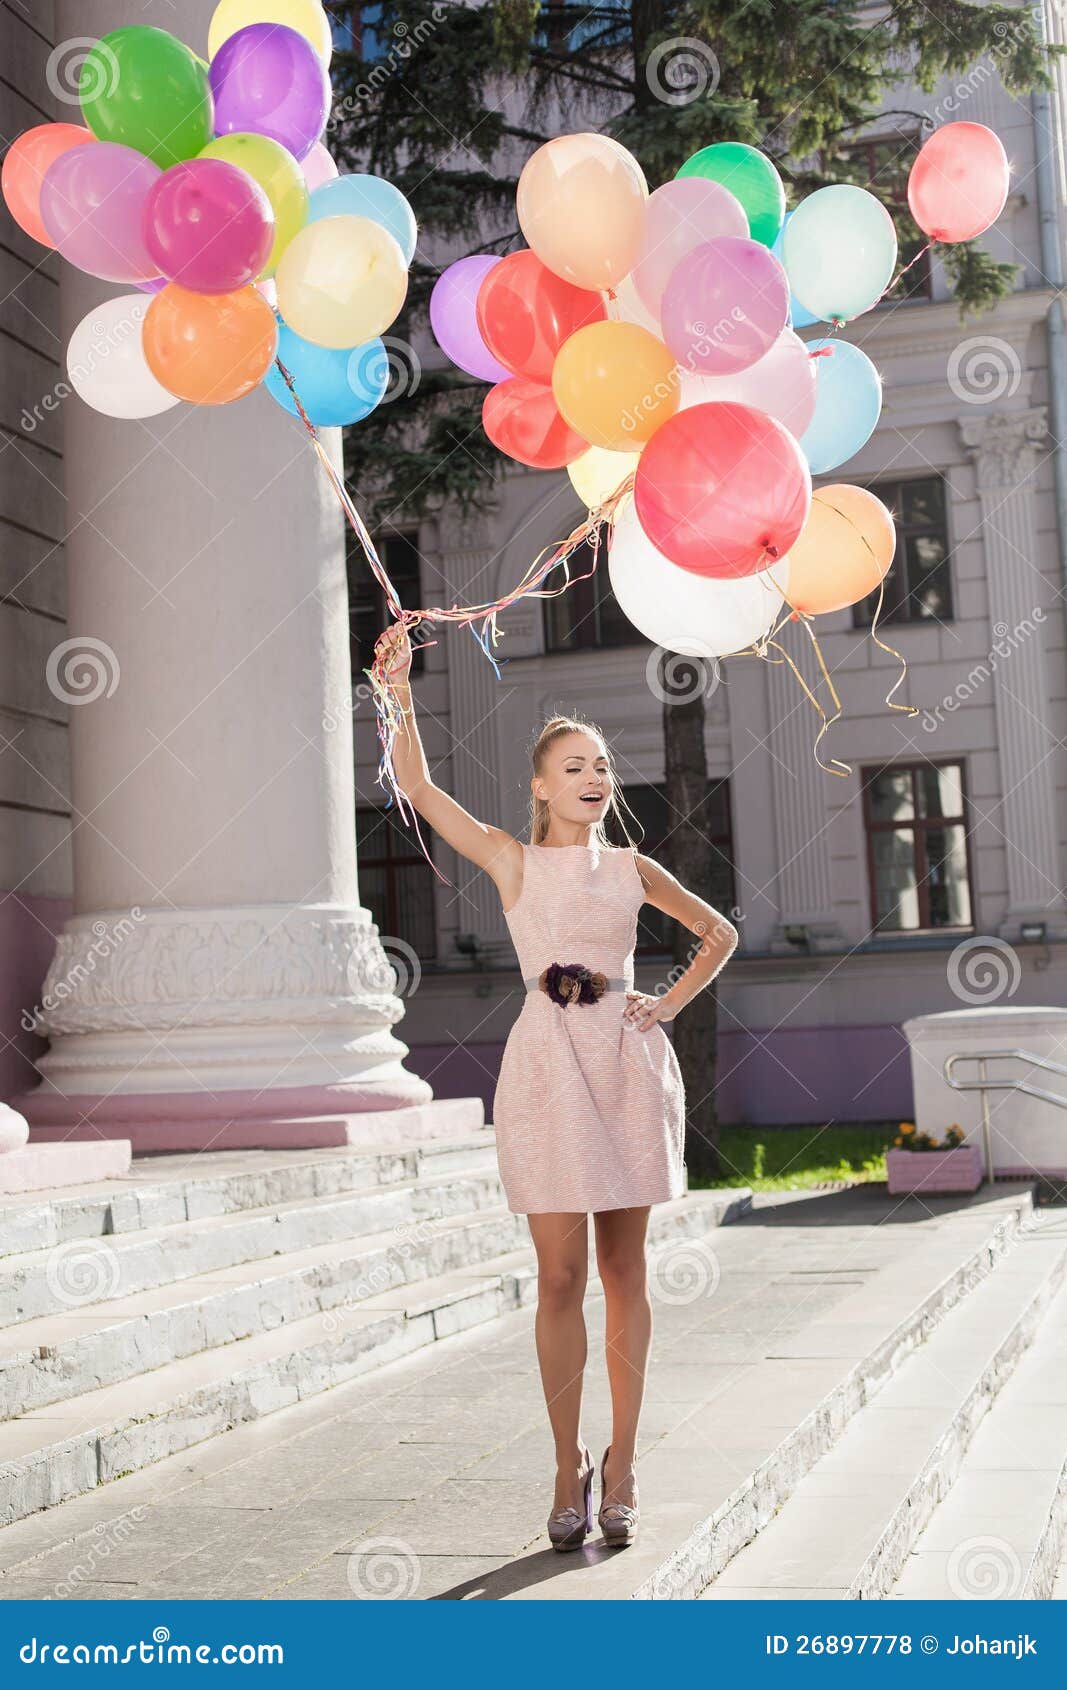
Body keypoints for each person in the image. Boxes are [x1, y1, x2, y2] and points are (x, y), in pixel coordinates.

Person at [373, 621, 739, 1552]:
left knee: (623, 1272)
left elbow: (718, 935)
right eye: (574, 764)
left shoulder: (630, 868)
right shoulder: (509, 858)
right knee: (558, 1276)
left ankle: (620, 1464)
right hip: (544, 1067)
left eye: (602, 765)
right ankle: (563, 1464)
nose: (592, 776)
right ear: (541, 784)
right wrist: (398, 695)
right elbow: (416, 788)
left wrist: (662, 1004)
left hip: (621, 1062)